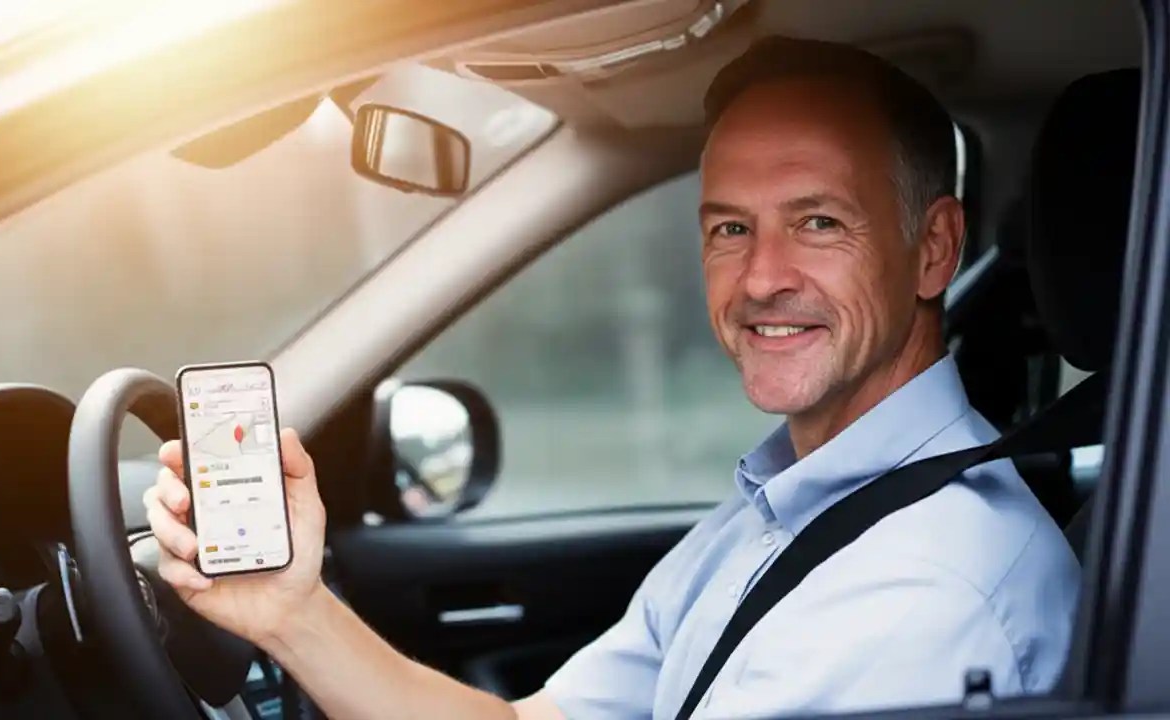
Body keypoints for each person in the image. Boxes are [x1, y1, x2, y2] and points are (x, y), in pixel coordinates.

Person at [144, 36, 1079, 719]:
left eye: (820, 222)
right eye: (729, 228)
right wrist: (290, 611)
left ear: (934, 248)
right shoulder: (782, 509)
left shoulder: (924, 592)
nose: (760, 277)